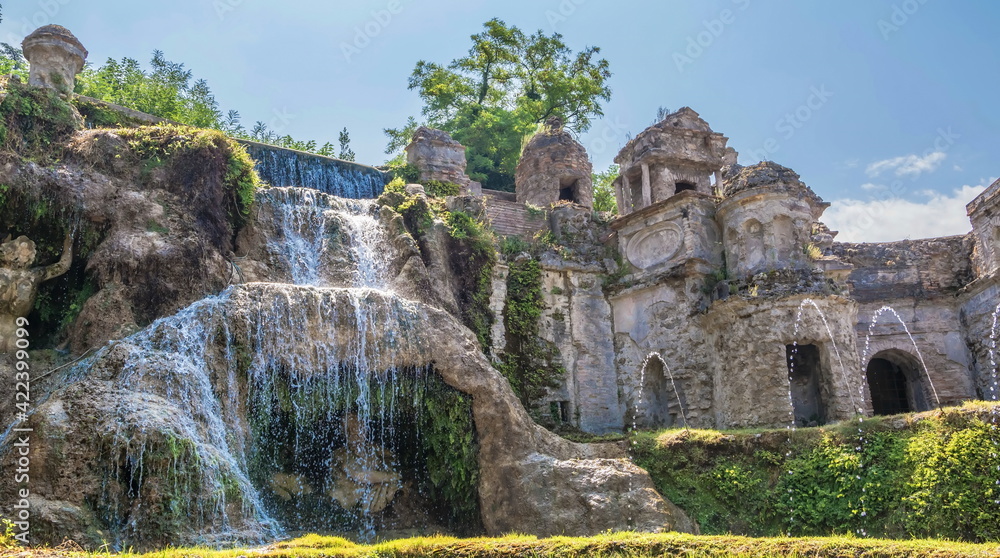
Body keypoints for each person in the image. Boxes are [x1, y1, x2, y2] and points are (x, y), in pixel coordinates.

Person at [0, 233, 72, 353]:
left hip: (15, 335)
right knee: (13, 367)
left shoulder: (32, 275)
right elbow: (63, 266)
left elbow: (62, 266)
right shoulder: (33, 275)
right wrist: (68, 244)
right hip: (16, 336)